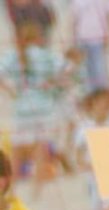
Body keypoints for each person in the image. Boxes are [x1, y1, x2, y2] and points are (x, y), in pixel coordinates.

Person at [0, 22, 68, 193]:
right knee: (40, 149)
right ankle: (37, 190)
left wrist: (9, 90)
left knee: (16, 151)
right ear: (37, 37)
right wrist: (51, 85)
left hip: (22, 108)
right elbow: (67, 68)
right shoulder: (45, 54)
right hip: (43, 108)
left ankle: (11, 190)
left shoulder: (13, 56)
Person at [69, 0, 109, 94]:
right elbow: (74, 20)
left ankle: (101, 95)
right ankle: (88, 96)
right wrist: (73, 41)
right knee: (84, 71)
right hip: (81, 40)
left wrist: (108, 37)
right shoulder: (77, 2)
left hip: (98, 39)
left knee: (99, 70)